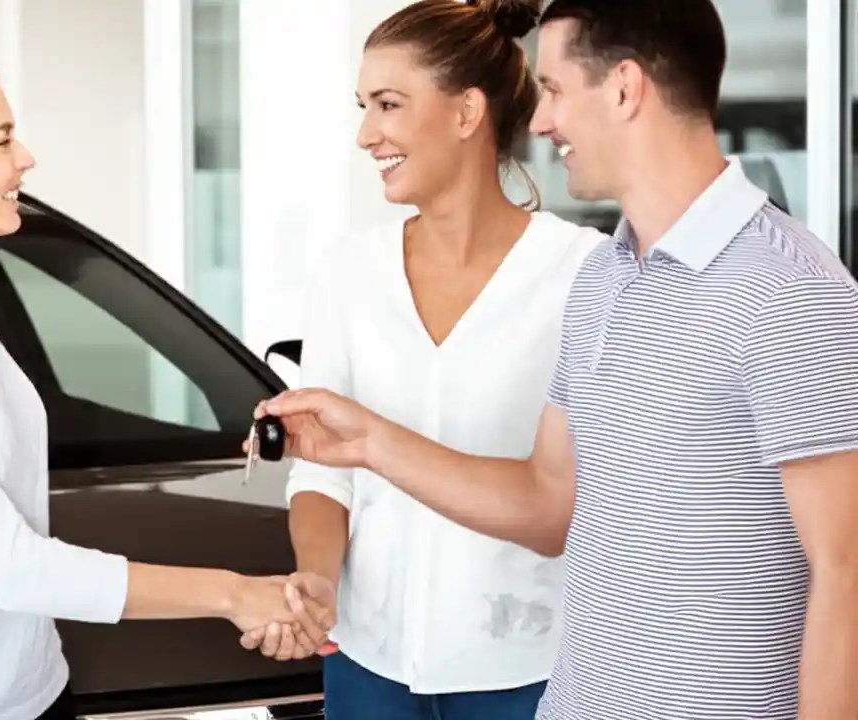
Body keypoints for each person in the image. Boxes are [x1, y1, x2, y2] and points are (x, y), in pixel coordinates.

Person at [251, 1, 858, 719]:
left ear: (626, 89)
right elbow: (547, 502)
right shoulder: (609, 279)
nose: (539, 121)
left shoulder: (794, 292)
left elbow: (846, 574)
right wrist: (365, 441)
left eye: (558, 90)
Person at [0, 49, 331, 720]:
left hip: (30, 696)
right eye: (1, 140)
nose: (26, 159)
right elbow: (6, 565)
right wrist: (233, 594)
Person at [237, 1, 605, 718]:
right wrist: (315, 581)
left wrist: (374, 443)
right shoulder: (347, 270)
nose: (366, 134)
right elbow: (322, 472)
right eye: (364, 106)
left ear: (467, 111)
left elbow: (575, 499)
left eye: (388, 105)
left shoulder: (584, 274)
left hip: (530, 671)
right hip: (367, 669)